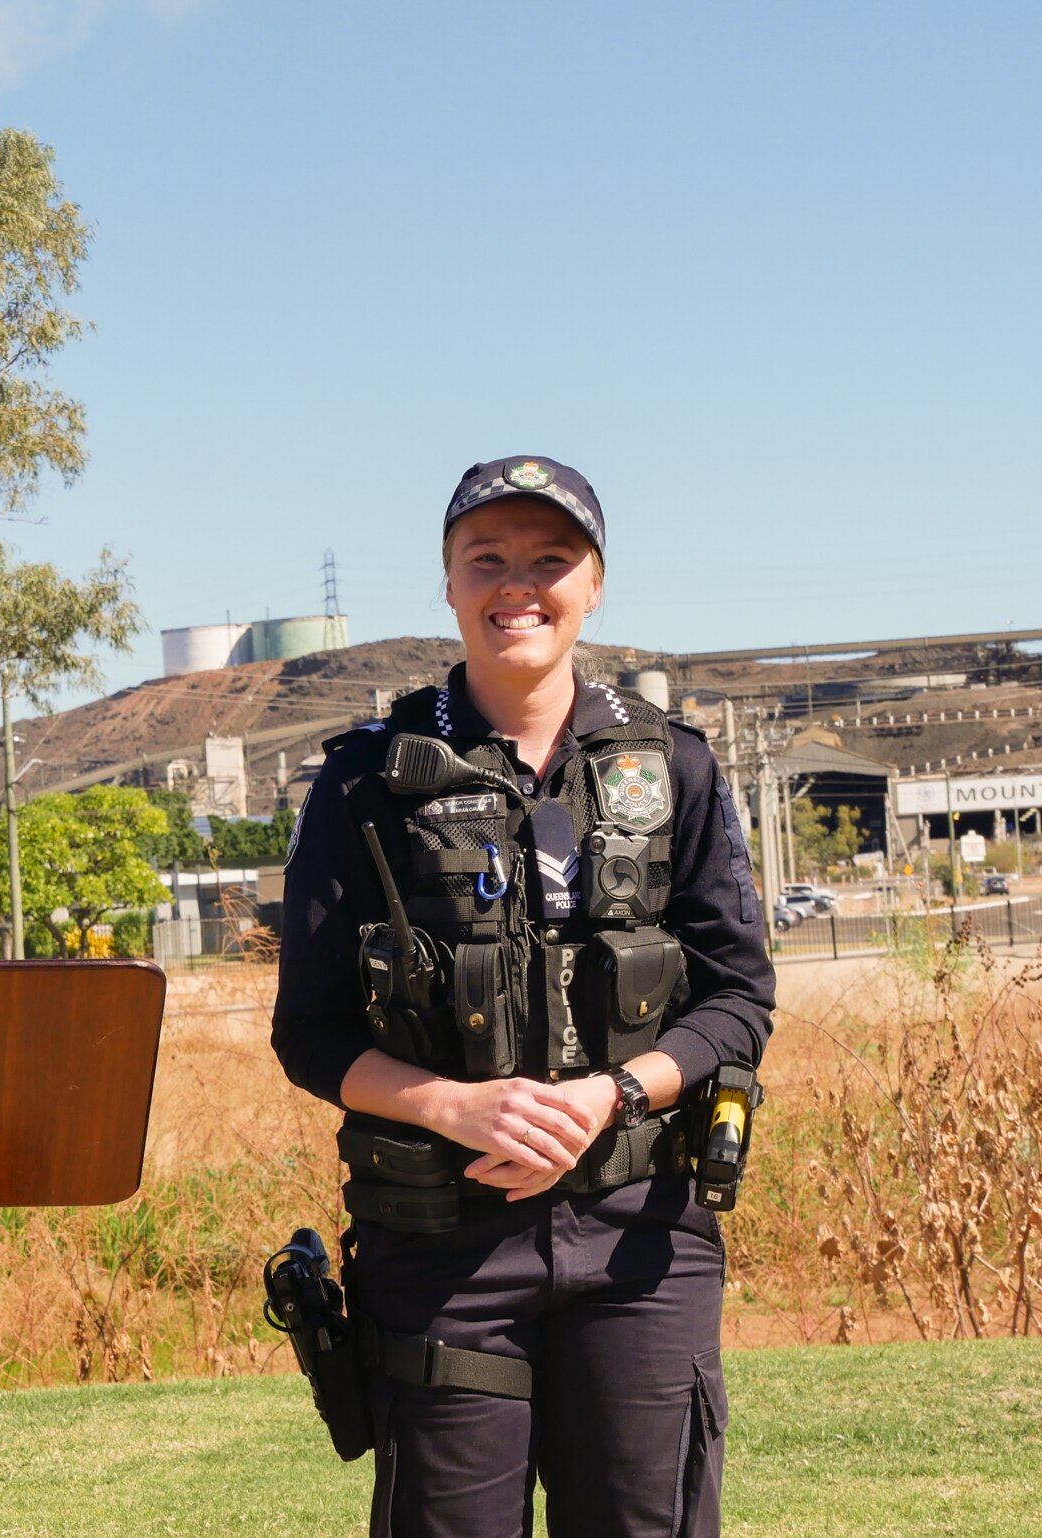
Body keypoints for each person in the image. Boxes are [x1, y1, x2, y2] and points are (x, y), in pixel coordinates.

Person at [272, 456, 774, 1538]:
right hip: (440, 1243)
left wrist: (611, 1095)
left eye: (550, 559)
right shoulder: (365, 779)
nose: (518, 584)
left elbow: (737, 998)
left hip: (640, 1239)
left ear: (594, 584)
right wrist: (455, 1106)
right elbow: (307, 1030)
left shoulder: (673, 765)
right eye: (486, 558)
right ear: (449, 582)